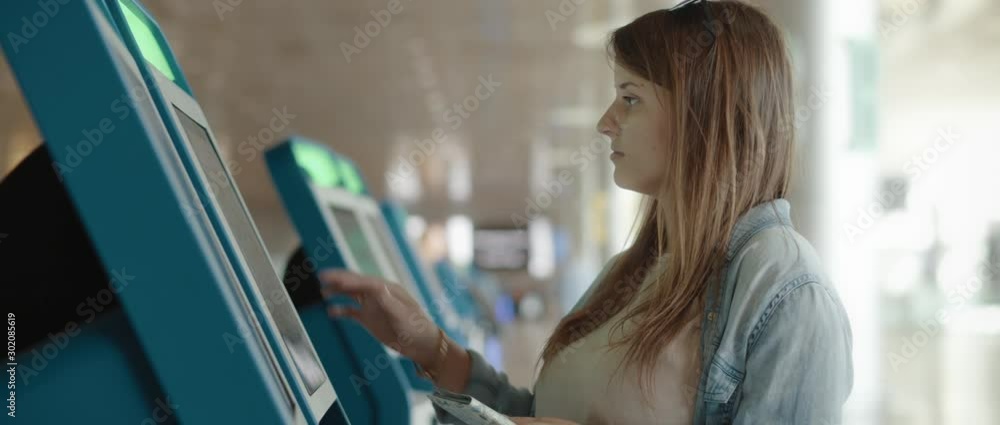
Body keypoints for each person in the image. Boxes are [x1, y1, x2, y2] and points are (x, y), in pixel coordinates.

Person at [320, 0, 854, 423]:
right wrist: (428, 346)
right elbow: (540, 414)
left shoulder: (788, 292)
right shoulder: (635, 269)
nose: (606, 121)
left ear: (703, 113)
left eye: (631, 98)